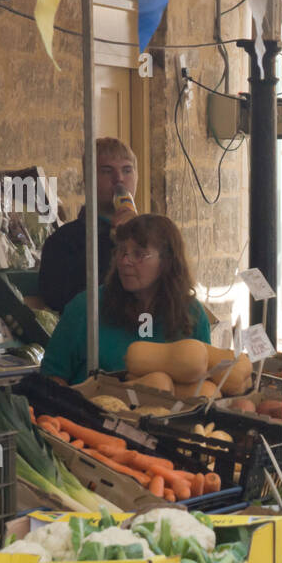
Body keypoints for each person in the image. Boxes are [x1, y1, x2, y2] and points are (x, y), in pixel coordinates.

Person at [41, 215, 210, 385]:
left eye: (139, 254)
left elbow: (204, 383)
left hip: (173, 411)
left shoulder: (192, 315)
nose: (124, 261)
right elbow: (51, 377)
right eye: (121, 251)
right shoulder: (86, 308)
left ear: (167, 261)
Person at [38, 138, 140, 313]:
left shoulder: (152, 236)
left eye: (127, 170)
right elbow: (62, 301)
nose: (119, 179)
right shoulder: (63, 242)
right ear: (88, 180)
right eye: (107, 171)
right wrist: (114, 242)